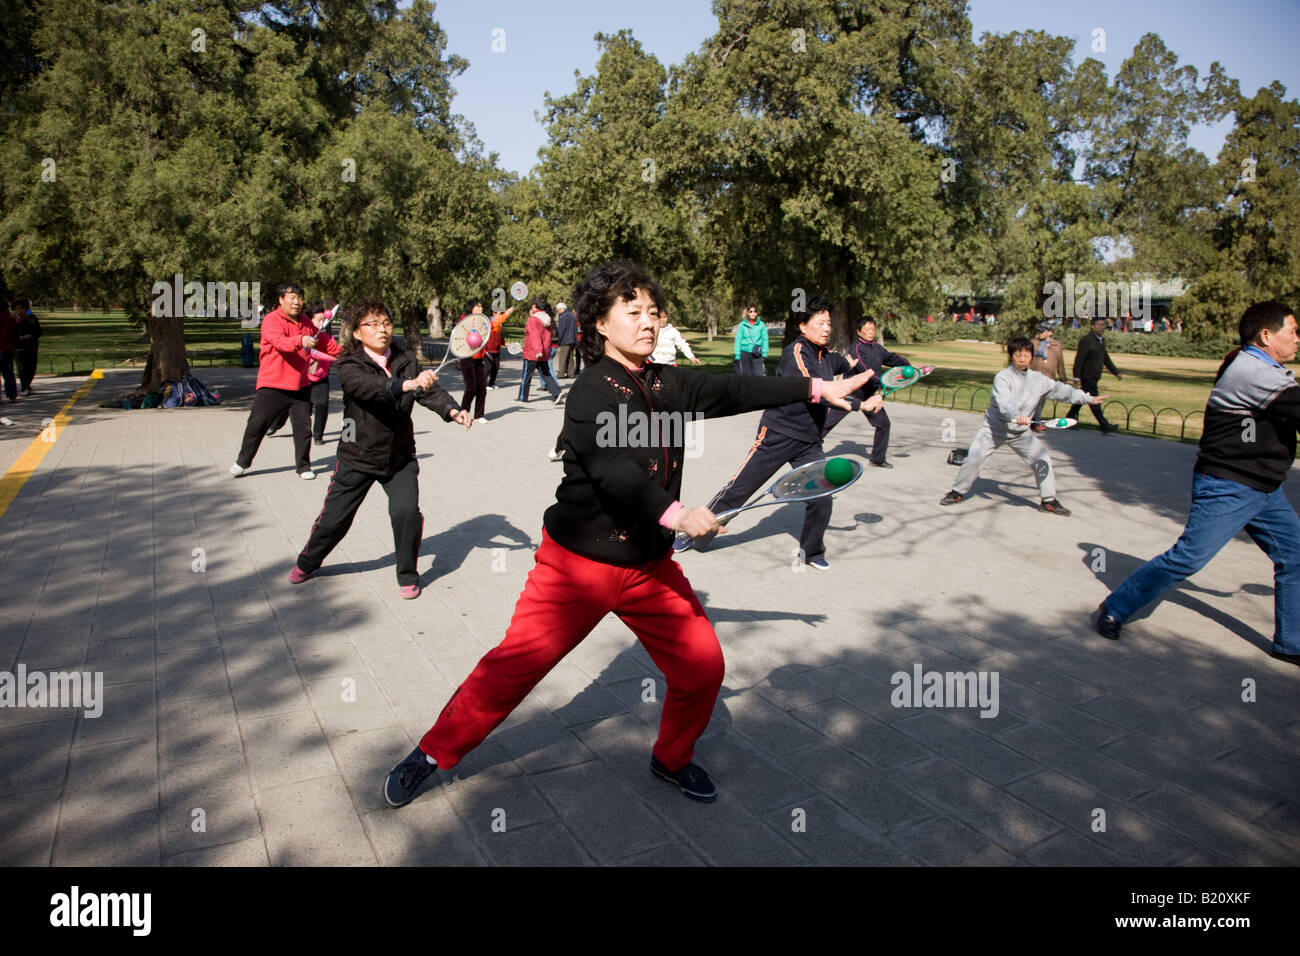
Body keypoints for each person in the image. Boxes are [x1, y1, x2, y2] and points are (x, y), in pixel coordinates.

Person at [382, 262, 871, 808]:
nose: (647, 322)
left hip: (649, 568)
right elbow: (613, 470)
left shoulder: (668, 381)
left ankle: (671, 758)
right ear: (600, 324)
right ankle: (430, 753)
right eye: (631, 312)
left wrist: (815, 385)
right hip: (576, 568)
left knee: (703, 665)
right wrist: (677, 514)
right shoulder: (590, 391)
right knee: (515, 666)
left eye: (653, 312)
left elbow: (735, 388)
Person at [1097, 302, 1300, 666]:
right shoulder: (1254, 370)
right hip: (1229, 486)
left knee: (1297, 556)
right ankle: (1115, 606)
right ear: (1266, 335)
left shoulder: (1267, 368)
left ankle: (1291, 643)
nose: (1297, 339)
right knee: (1188, 558)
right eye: (1293, 331)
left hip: (1264, 488)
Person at [290, 301, 471, 599]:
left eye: (386, 323)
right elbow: (370, 388)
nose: (381, 329)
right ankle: (308, 561)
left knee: (406, 514)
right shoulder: (349, 363)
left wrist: (452, 410)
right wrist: (408, 384)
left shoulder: (405, 359)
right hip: (357, 454)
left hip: (399, 456)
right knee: (334, 520)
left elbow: (430, 391)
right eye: (372, 324)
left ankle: (408, 575)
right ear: (358, 333)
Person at [687, 294, 876, 570]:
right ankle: (696, 534)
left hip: (809, 441)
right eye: (821, 323)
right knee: (739, 490)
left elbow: (847, 364)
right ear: (803, 326)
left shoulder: (827, 355)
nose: (827, 328)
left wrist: (871, 369)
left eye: (829, 323)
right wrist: (861, 404)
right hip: (778, 434)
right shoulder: (795, 353)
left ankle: (811, 552)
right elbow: (814, 388)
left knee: (822, 498)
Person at [940, 337, 1106, 515]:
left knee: (1043, 461)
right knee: (974, 459)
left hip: (1020, 434)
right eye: (1018, 355)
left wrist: (1088, 399)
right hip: (993, 429)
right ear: (1011, 356)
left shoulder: (1038, 379)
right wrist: (1016, 416)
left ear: (1032, 357)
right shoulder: (1002, 378)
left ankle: (1048, 501)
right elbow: (1004, 403)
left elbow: (1061, 390)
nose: (1022, 359)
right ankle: (957, 492)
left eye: (1027, 355)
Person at [231, 283, 341, 479]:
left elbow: (325, 342)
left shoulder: (306, 322)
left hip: (300, 386)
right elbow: (280, 343)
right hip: (273, 385)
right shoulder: (271, 320)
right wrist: (300, 341)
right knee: (257, 425)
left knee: (303, 429)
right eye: (291, 298)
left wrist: (346, 354)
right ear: (281, 300)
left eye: (299, 298)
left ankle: (303, 466)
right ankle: (242, 462)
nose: (296, 302)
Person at [823, 315, 907, 467]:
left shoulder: (878, 348)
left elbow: (891, 358)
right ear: (859, 331)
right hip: (850, 393)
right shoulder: (856, 348)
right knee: (826, 423)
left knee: (883, 424)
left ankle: (877, 459)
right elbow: (864, 369)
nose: (870, 332)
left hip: (868, 395)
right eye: (867, 329)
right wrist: (882, 381)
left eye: (872, 329)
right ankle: (804, 450)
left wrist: (909, 367)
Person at [266, 299, 336, 443]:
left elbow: (333, 349)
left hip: (321, 378)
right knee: (292, 407)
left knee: (322, 404)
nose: (321, 323)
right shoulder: (307, 338)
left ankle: (317, 436)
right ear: (310, 321)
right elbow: (313, 353)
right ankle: (276, 424)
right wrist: (330, 357)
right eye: (318, 320)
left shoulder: (327, 338)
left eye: (324, 320)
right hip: (305, 378)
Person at [1068, 315, 1122, 434]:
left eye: (1104, 325)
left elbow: (1105, 359)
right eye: (1100, 325)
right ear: (1093, 327)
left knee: (1081, 399)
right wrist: (1076, 375)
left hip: (1095, 376)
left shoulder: (1101, 341)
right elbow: (1079, 359)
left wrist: (1116, 372)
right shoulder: (1087, 340)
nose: (1103, 328)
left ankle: (1069, 418)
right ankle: (1104, 425)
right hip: (1087, 376)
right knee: (1094, 401)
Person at [517, 298, 562, 403]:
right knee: (546, 374)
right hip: (544, 352)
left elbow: (534, 336)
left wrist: (538, 349)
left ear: (534, 306)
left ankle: (523, 397)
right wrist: (542, 350)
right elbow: (547, 337)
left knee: (526, 376)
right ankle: (556, 393)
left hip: (533, 352)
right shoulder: (547, 319)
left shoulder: (533, 319)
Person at [1029, 321, 1067, 430]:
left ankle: (1035, 422)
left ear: (1050, 332)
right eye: (1039, 330)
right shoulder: (1033, 343)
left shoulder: (1056, 346)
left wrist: (1062, 377)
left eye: (1042, 331)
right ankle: (1034, 422)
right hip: (1033, 376)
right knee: (1033, 401)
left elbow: (1060, 362)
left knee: (1040, 401)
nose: (1039, 333)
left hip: (1047, 378)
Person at [458, 297, 490, 423]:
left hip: (479, 359)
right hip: (467, 358)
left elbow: (492, 326)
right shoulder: (463, 320)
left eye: (481, 306)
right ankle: (463, 412)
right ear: (471, 308)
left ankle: (479, 415)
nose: (480, 308)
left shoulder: (482, 321)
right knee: (471, 387)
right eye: (478, 306)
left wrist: (508, 312)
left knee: (482, 388)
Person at [13, 299, 42, 396]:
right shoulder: (14, 320)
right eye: (16, 309)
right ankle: (25, 387)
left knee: (32, 367)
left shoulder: (32, 318)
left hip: (31, 346)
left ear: (25, 309)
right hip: (18, 347)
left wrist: (30, 336)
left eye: (20, 308)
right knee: (22, 368)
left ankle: (27, 385)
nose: (18, 311)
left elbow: (38, 331)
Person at [733, 305, 768, 376]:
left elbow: (765, 339)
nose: (753, 313)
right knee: (746, 375)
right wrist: (737, 354)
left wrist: (765, 353)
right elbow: (738, 340)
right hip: (744, 353)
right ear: (747, 313)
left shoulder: (761, 325)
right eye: (751, 311)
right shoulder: (742, 325)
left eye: (755, 311)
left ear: (757, 313)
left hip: (757, 353)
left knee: (759, 375)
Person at [484, 306, 513, 390]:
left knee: (496, 367)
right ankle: (484, 384)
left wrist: (504, 343)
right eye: (499, 313)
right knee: (488, 367)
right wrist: (507, 313)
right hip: (488, 348)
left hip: (496, 349)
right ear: (493, 313)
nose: (500, 315)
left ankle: (491, 383)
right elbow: (502, 318)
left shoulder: (498, 324)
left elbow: (498, 336)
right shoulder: (490, 322)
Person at [554, 301, 579, 378]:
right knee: (570, 358)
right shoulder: (572, 315)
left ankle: (561, 373)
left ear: (561, 309)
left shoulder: (563, 316)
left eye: (558, 310)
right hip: (573, 339)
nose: (558, 312)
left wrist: (559, 339)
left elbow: (562, 329)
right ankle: (570, 373)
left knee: (563, 357)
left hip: (565, 340)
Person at [0, 303, 17, 403]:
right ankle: (12, 395)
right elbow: (15, 335)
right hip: (8, 349)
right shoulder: (11, 319)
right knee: (9, 373)